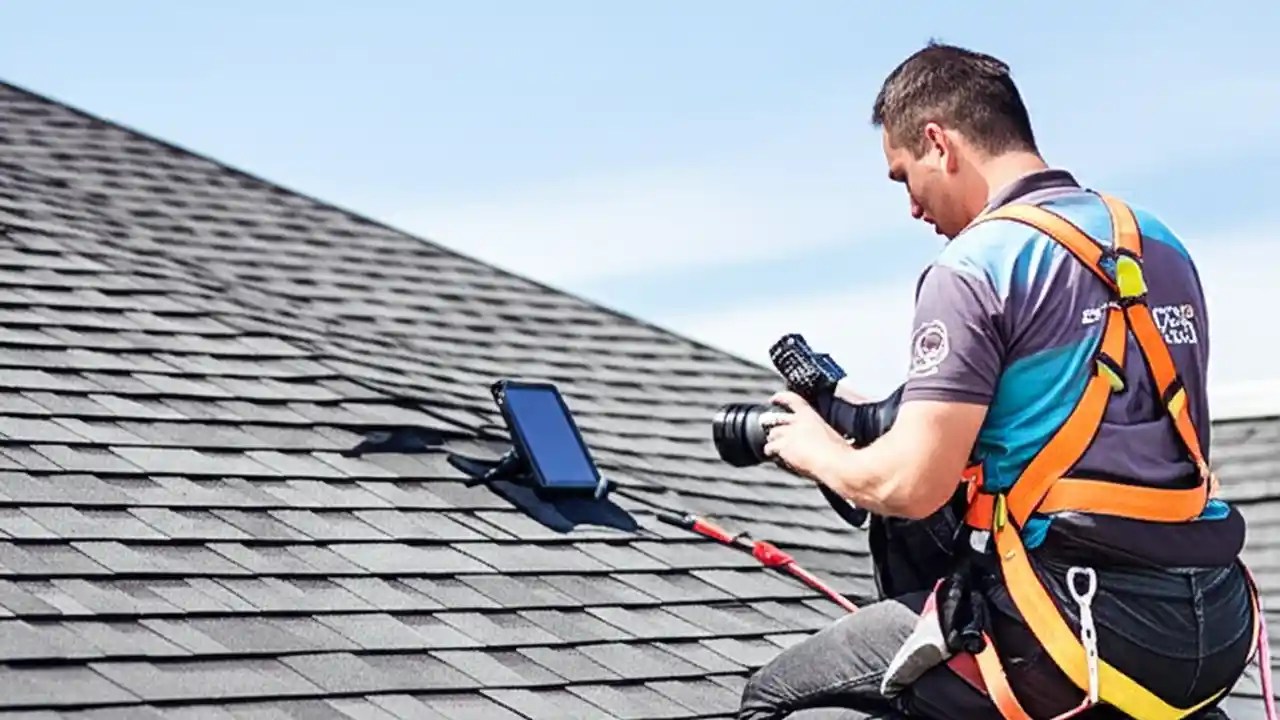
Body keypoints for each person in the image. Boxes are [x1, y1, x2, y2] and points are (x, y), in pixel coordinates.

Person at [737, 41, 1264, 720]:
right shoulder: (1159, 244)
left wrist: (813, 448)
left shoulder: (977, 265)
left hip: (1065, 629)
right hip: (1207, 625)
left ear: (938, 143)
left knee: (771, 698)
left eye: (903, 178)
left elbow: (909, 487)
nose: (913, 209)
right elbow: (1096, 422)